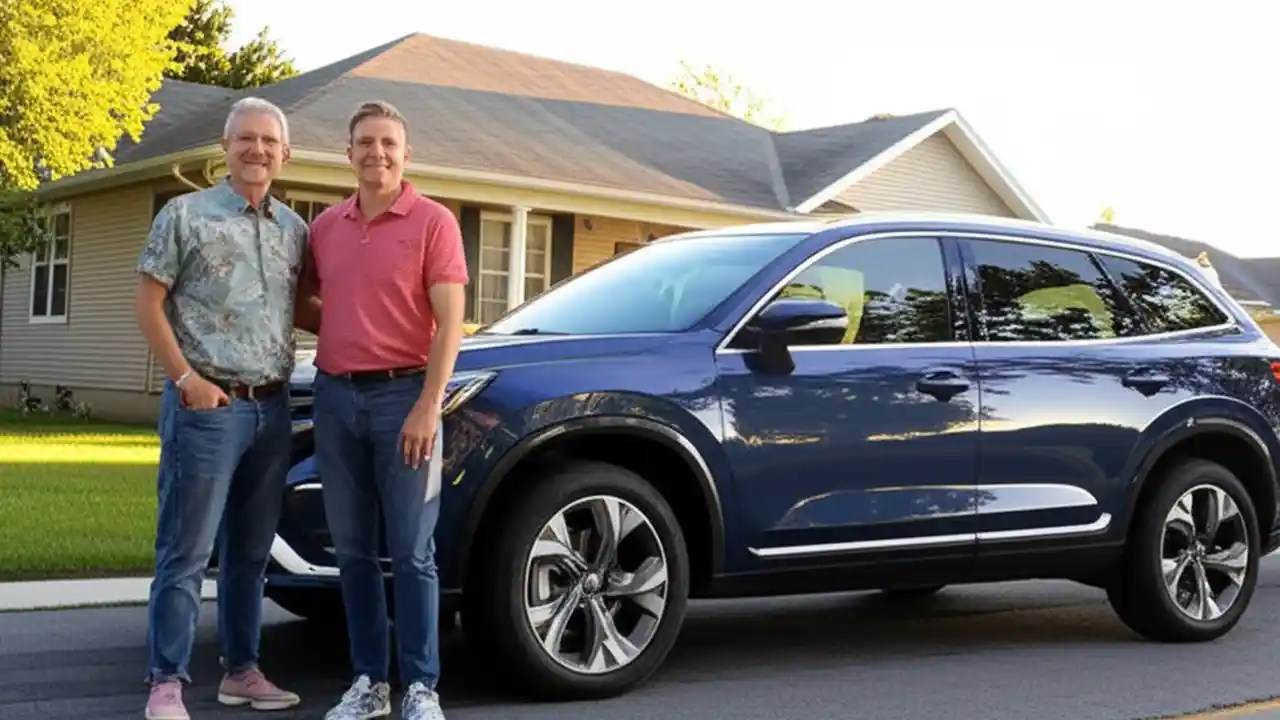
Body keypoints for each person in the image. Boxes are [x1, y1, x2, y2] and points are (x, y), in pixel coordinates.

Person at [134, 97, 308, 720]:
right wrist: (186, 379)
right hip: (207, 407)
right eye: (245, 139)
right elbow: (148, 305)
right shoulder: (185, 215)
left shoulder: (295, 229)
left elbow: (303, 311)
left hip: (273, 407)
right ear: (225, 147)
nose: (257, 149)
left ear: (284, 154)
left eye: (269, 141)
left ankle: (242, 671)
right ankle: (166, 683)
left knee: (250, 552)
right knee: (185, 551)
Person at [298, 100, 467, 720]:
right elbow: (306, 301)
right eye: (365, 143)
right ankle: (370, 684)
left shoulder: (433, 223)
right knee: (351, 549)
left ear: (406, 153)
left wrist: (429, 404)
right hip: (336, 395)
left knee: (412, 549)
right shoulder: (325, 228)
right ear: (349, 154)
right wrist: (344, 327)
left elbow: (450, 323)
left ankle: (421, 687)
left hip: (405, 396)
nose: (377, 153)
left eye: (388, 143)